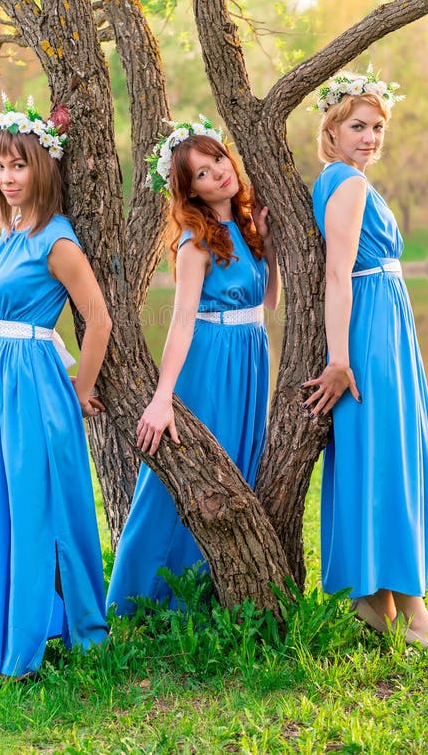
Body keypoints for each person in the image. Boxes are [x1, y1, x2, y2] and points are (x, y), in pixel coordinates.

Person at [302, 69, 428, 646]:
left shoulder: (347, 179)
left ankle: (379, 598)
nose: (369, 136)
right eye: (357, 126)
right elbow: (338, 273)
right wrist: (340, 358)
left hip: (388, 321)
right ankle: (410, 606)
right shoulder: (345, 183)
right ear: (333, 130)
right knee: (387, 457)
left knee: (386, 454)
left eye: (376, 127)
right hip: (368, 328)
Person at [0, 95, 111, 693]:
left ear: (43, 168)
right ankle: (35, 631)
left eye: (18, 165)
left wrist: (81, 387)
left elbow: (97, 319)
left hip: (33, 384)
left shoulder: (57, 241)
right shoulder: (12, 229)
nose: (8, 177)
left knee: (33, 512)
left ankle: (19, 660)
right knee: (6, 509)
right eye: (0, 166)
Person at [106, 118, 281, 615]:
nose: (217, 175)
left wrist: (269, 247)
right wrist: (162, 400)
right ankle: (141, 602)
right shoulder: (194, 240)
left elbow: (266, 303)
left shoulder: (244, 227)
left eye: (218, 161)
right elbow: (181, 322)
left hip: (250, 355)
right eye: (201, 174)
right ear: (190, 191)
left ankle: (214, 594)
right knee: (190, 479)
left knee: (238, 470)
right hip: (211, 362)